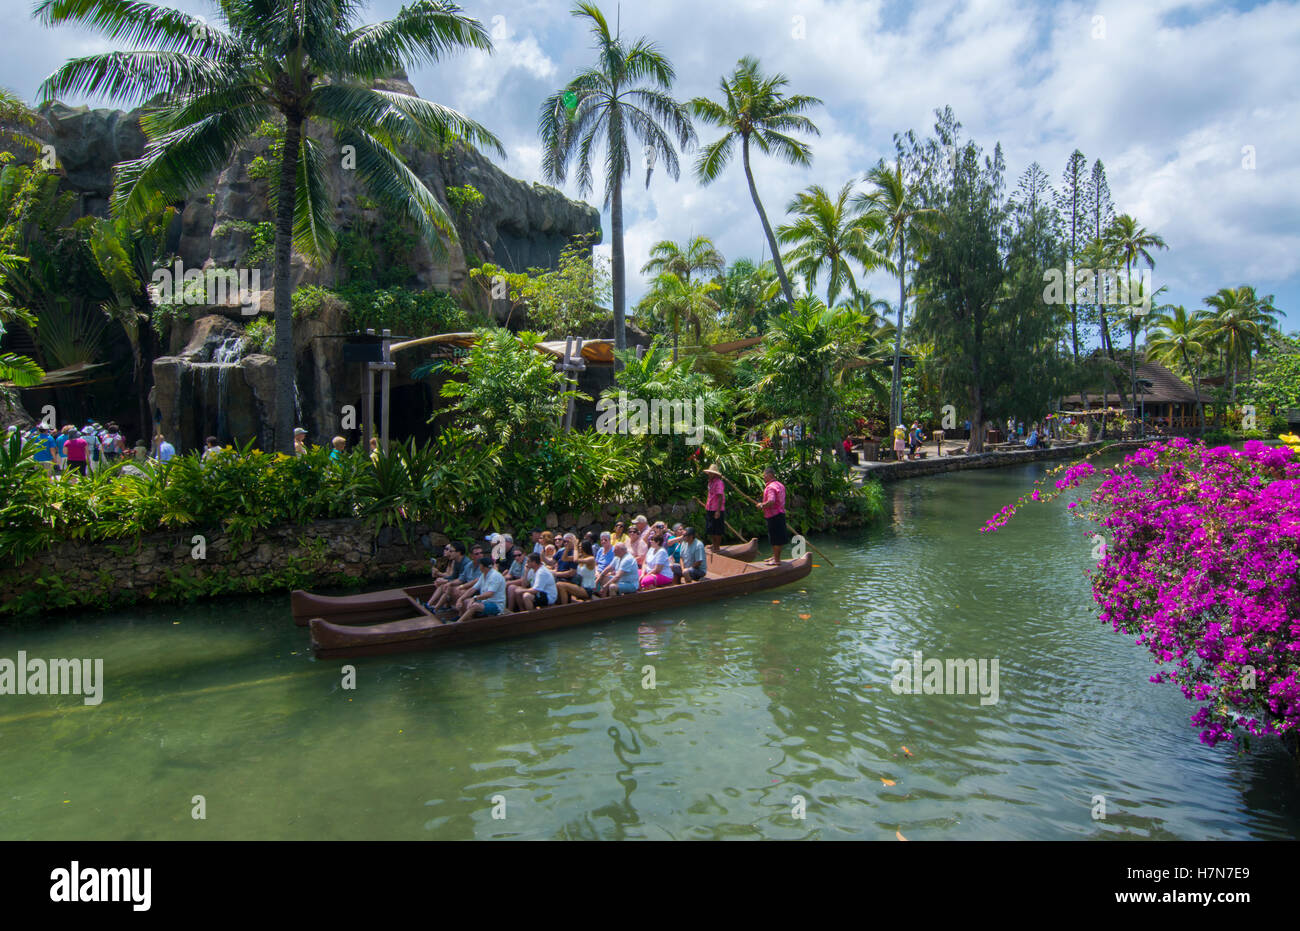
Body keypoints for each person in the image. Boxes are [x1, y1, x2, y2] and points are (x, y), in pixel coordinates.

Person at [455, 556, 509, 622]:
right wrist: (460, 599)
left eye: (480, 565)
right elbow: (473, 589)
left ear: (484, 567)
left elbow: (489, 594)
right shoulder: (483, 575)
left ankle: (458, 623)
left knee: (474, 606)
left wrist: (475, 598)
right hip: (485, 602)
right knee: (466, 601)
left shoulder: (495, 576)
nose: (479, 567)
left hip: (496, 606)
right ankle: (462, 619)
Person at [758, 466, 790, 565]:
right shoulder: (780, 485)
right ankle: (775, 557)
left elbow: (771, 501)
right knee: (777, 537)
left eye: (765, 475)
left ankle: (777, 560)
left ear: (770, 475)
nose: (764, 477)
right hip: (780, 514)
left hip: (774, 516)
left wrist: (762, 505)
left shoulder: (771, 487)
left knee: (775, 538)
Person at [556, 539, 598, 604]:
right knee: (559, 584)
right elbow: (564, 558)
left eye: (580, 547)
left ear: (585, 547)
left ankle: (564, 607)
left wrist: (575, 546)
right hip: (579, 586)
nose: (579, 548)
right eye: (578, 546)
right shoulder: (581, 557)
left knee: (560, 585)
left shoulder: (591, 559)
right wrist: (568, 548)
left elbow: (575, 560)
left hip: (587, 589)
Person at [703, 463, 726, 555]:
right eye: (709, 473)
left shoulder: (719, 483)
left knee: (717, 529)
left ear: (715, 474)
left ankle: (717, 547)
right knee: (711, 528)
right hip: (710, 507)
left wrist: (718, 511)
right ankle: (714, 544)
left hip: (716, 509)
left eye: (711, 473)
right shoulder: (710, 482)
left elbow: (720, 497)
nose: (709, 474)